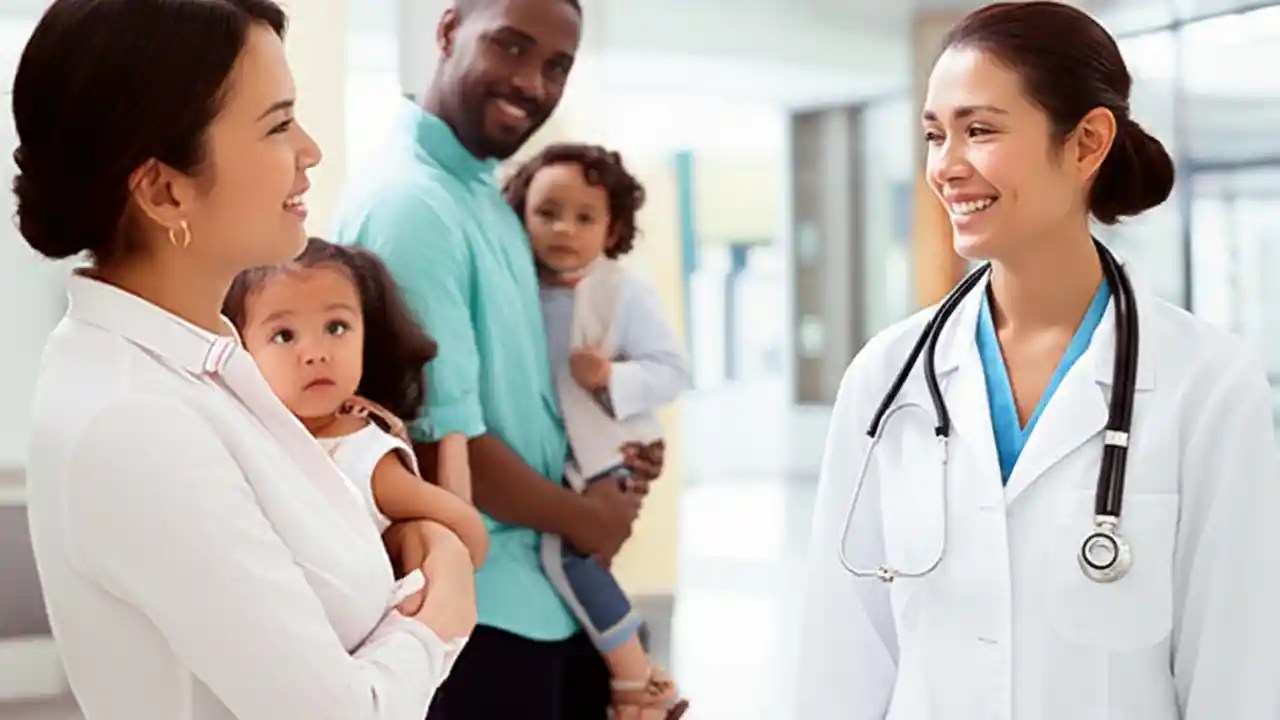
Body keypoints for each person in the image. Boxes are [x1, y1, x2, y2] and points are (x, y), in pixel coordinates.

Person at [795, 3, 1280, 719]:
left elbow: (1236, 671)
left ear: (1087, 143)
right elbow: (842, 658)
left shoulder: (1206, 382)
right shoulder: (886, 376)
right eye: (935, 135)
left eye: (980, 130)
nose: (946, 167)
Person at [15, 2, 476, 718]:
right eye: (278, 124)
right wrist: (438, 610)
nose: (311, 151)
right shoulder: (133, 423)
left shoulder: (206, 361)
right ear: (167, 191)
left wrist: (403, 537)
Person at [332, 1, 664, 717]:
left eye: (556, 66)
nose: (531, 83)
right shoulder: (412, 207)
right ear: (449, 31)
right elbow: (443, 448)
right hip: (476, 615)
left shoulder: (482, 193)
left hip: (540, 596)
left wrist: (614, 454)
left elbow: (526, 398)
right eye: (509, 47)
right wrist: (588, 519)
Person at [503, 144, 691, 720]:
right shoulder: (516, 287)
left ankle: (637, 674)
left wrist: (610, 375)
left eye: (585, 218)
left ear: (612, 229)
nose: (564, 229)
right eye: (547, 213)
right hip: (557, 457)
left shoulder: (622, 291)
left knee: (571, 558)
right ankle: (636, 668)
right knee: (574, 559)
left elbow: (673, 371)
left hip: (607, 451)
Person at [223, 238, 490, 587]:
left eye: (336, 328)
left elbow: (466, 529)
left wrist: (416, 567)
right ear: (239, 346)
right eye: (284, 335)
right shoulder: (235, 431)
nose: (316, 354)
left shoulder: (361, 454)